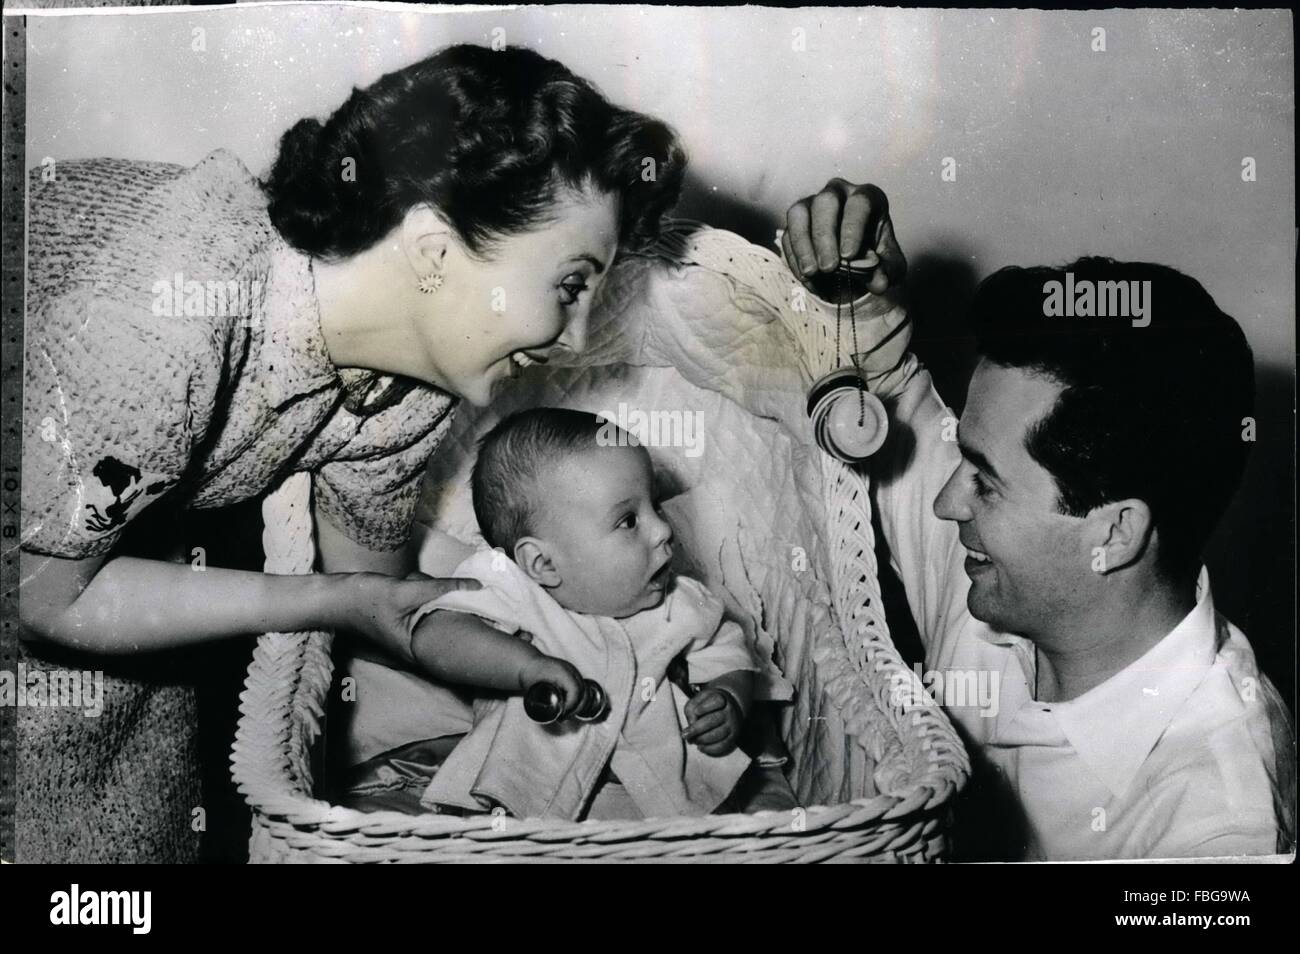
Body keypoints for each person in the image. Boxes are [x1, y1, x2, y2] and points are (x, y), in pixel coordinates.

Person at [17, 43, 684, 862]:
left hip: (99, 554)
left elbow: (386, 601)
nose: (574, 338)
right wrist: (328, 598)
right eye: (571, 286)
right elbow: (44, 596)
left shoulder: (407, 395)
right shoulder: (163, 321)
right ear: (436, 251)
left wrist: (533, 662)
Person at [778, 180, 1296, 859]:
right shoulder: (1017, 568)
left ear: (1113, 535)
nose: (946, 503)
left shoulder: (1222, 829)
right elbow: (887, 394)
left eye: (985, 484)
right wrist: (858, 290)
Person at [340, 407, 797, 820]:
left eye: (655, 506)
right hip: (523, 801)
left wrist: (728, 700)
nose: (663, 529)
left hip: (667, 806)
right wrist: (525, 668)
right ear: (543, 564)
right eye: (628, 521)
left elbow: (731, 657)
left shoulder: (682, 602)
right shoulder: (513, 589)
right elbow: (436, 635)